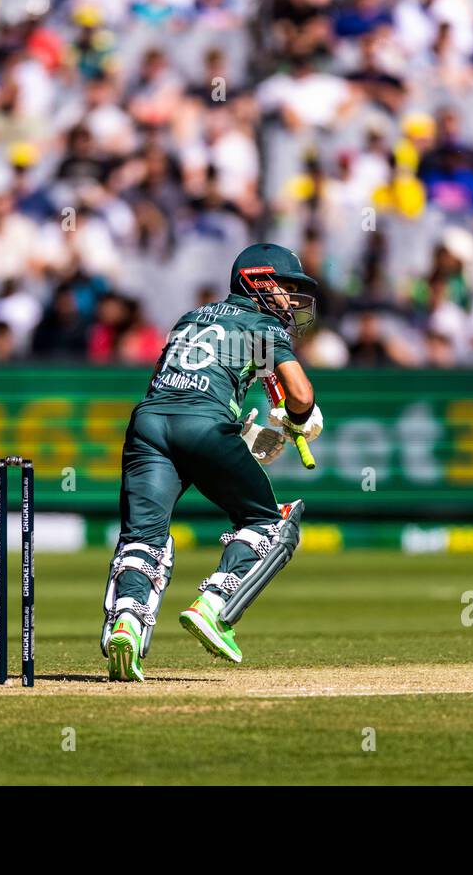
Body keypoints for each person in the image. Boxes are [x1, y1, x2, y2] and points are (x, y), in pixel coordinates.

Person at [100, 243, 325, 682]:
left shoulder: (190, 317)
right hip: (202, 426)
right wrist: (299, 419)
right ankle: (215, 606)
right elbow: (300, 394)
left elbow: (170, 385)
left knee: (143, 537)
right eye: (286, 287)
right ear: (257, 282)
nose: (291, 299)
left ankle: (126, 622)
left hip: (149, 423)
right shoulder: (261, 323)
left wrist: (238, 430)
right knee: (270, 522)